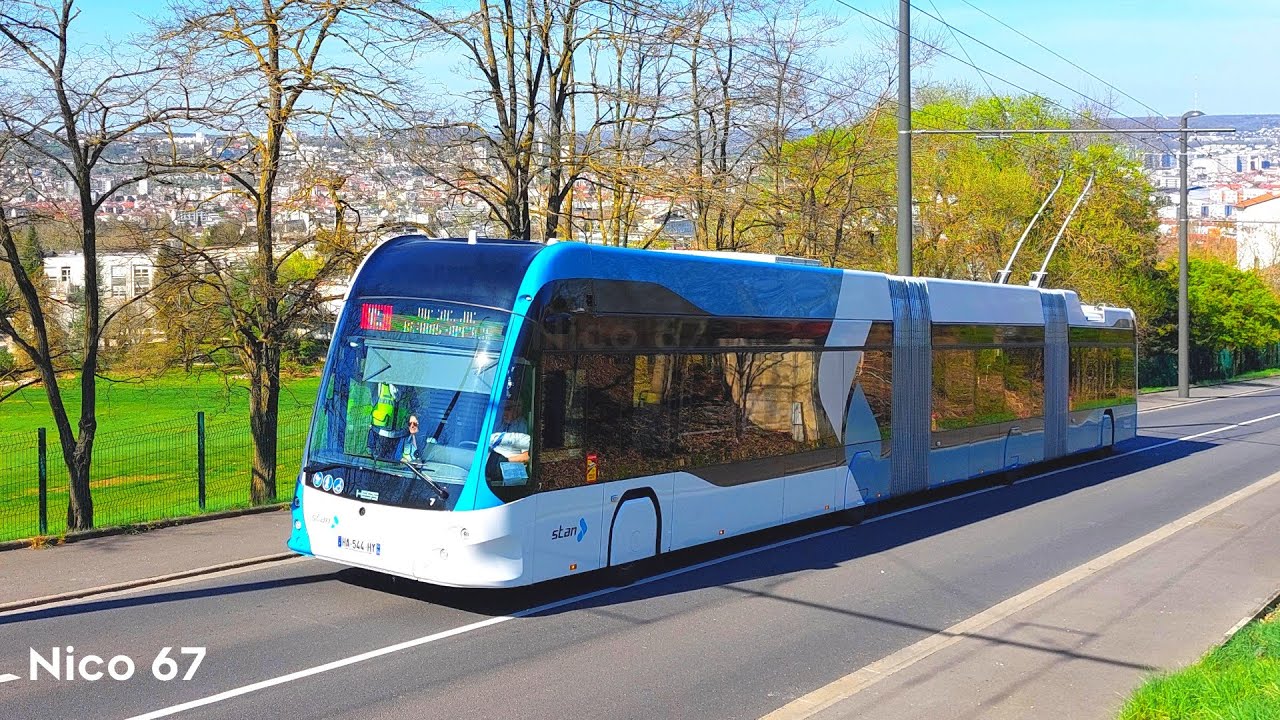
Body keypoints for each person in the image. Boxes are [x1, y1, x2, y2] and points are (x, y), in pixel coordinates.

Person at [490, 397, 530, 463]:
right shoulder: (498, 424)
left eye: (507, 409)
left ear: (517, 409)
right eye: (502, 409)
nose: (504, 413)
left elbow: (525, 457)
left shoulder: (522, 426)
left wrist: (506, 461)